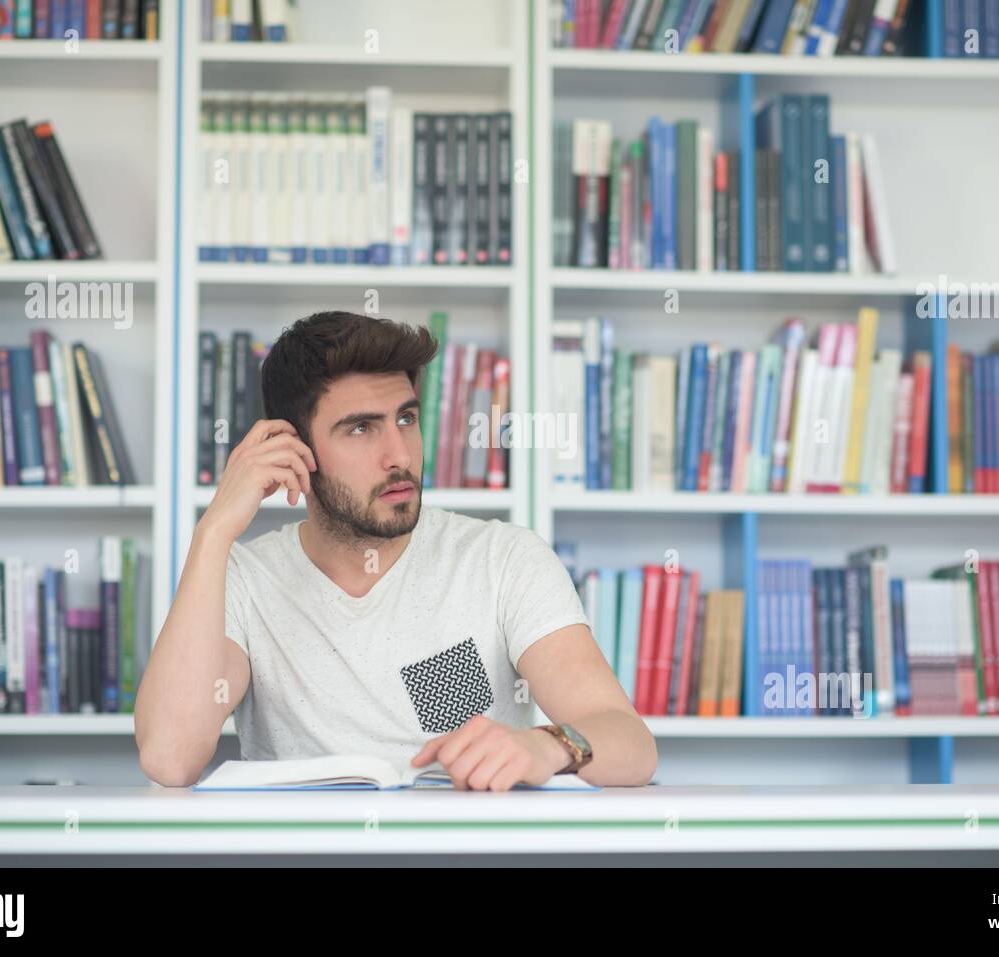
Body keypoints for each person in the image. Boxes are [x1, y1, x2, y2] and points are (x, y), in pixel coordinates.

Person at [135, 311, 656, 790]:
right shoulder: (244, 581)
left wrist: (550, 747)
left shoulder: (503, 559)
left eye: (406, 419)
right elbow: (171, 757)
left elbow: (630, 746)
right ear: (293, 449)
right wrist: (213, 532)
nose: (399, 456)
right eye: (361, 428)